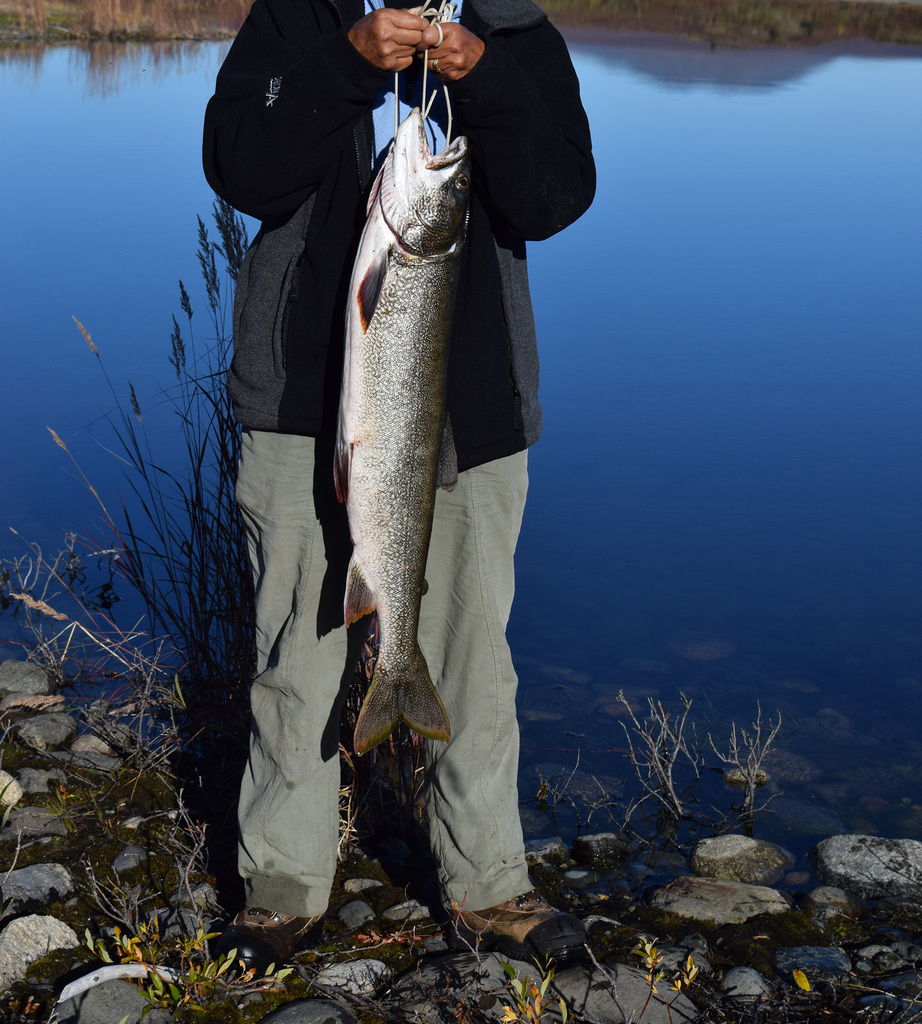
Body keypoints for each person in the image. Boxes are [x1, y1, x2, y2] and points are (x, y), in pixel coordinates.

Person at [202, 0, 595, 974]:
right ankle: (281, 887)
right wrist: (343, 65)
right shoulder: (298, 18)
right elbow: (239, 165)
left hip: (474, 415)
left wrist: (485, 81)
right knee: (296, 651)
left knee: (472, 655)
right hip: (298, 402)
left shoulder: (515, 31)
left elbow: (555, 195)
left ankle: (491, 882)